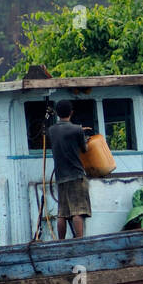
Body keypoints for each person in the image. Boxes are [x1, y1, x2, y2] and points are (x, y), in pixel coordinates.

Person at [46, 98, 92, 238]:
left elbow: (63, 136)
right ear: (71, 112)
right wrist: (85, 137)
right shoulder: (76, 129)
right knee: (77, 211)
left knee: (62, 213)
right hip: (76, 175)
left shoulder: (51, 130)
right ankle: (79, 240)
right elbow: (84, 149)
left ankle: (61, 241)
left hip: (60, 177)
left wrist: (78, 132)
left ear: (57, 114)